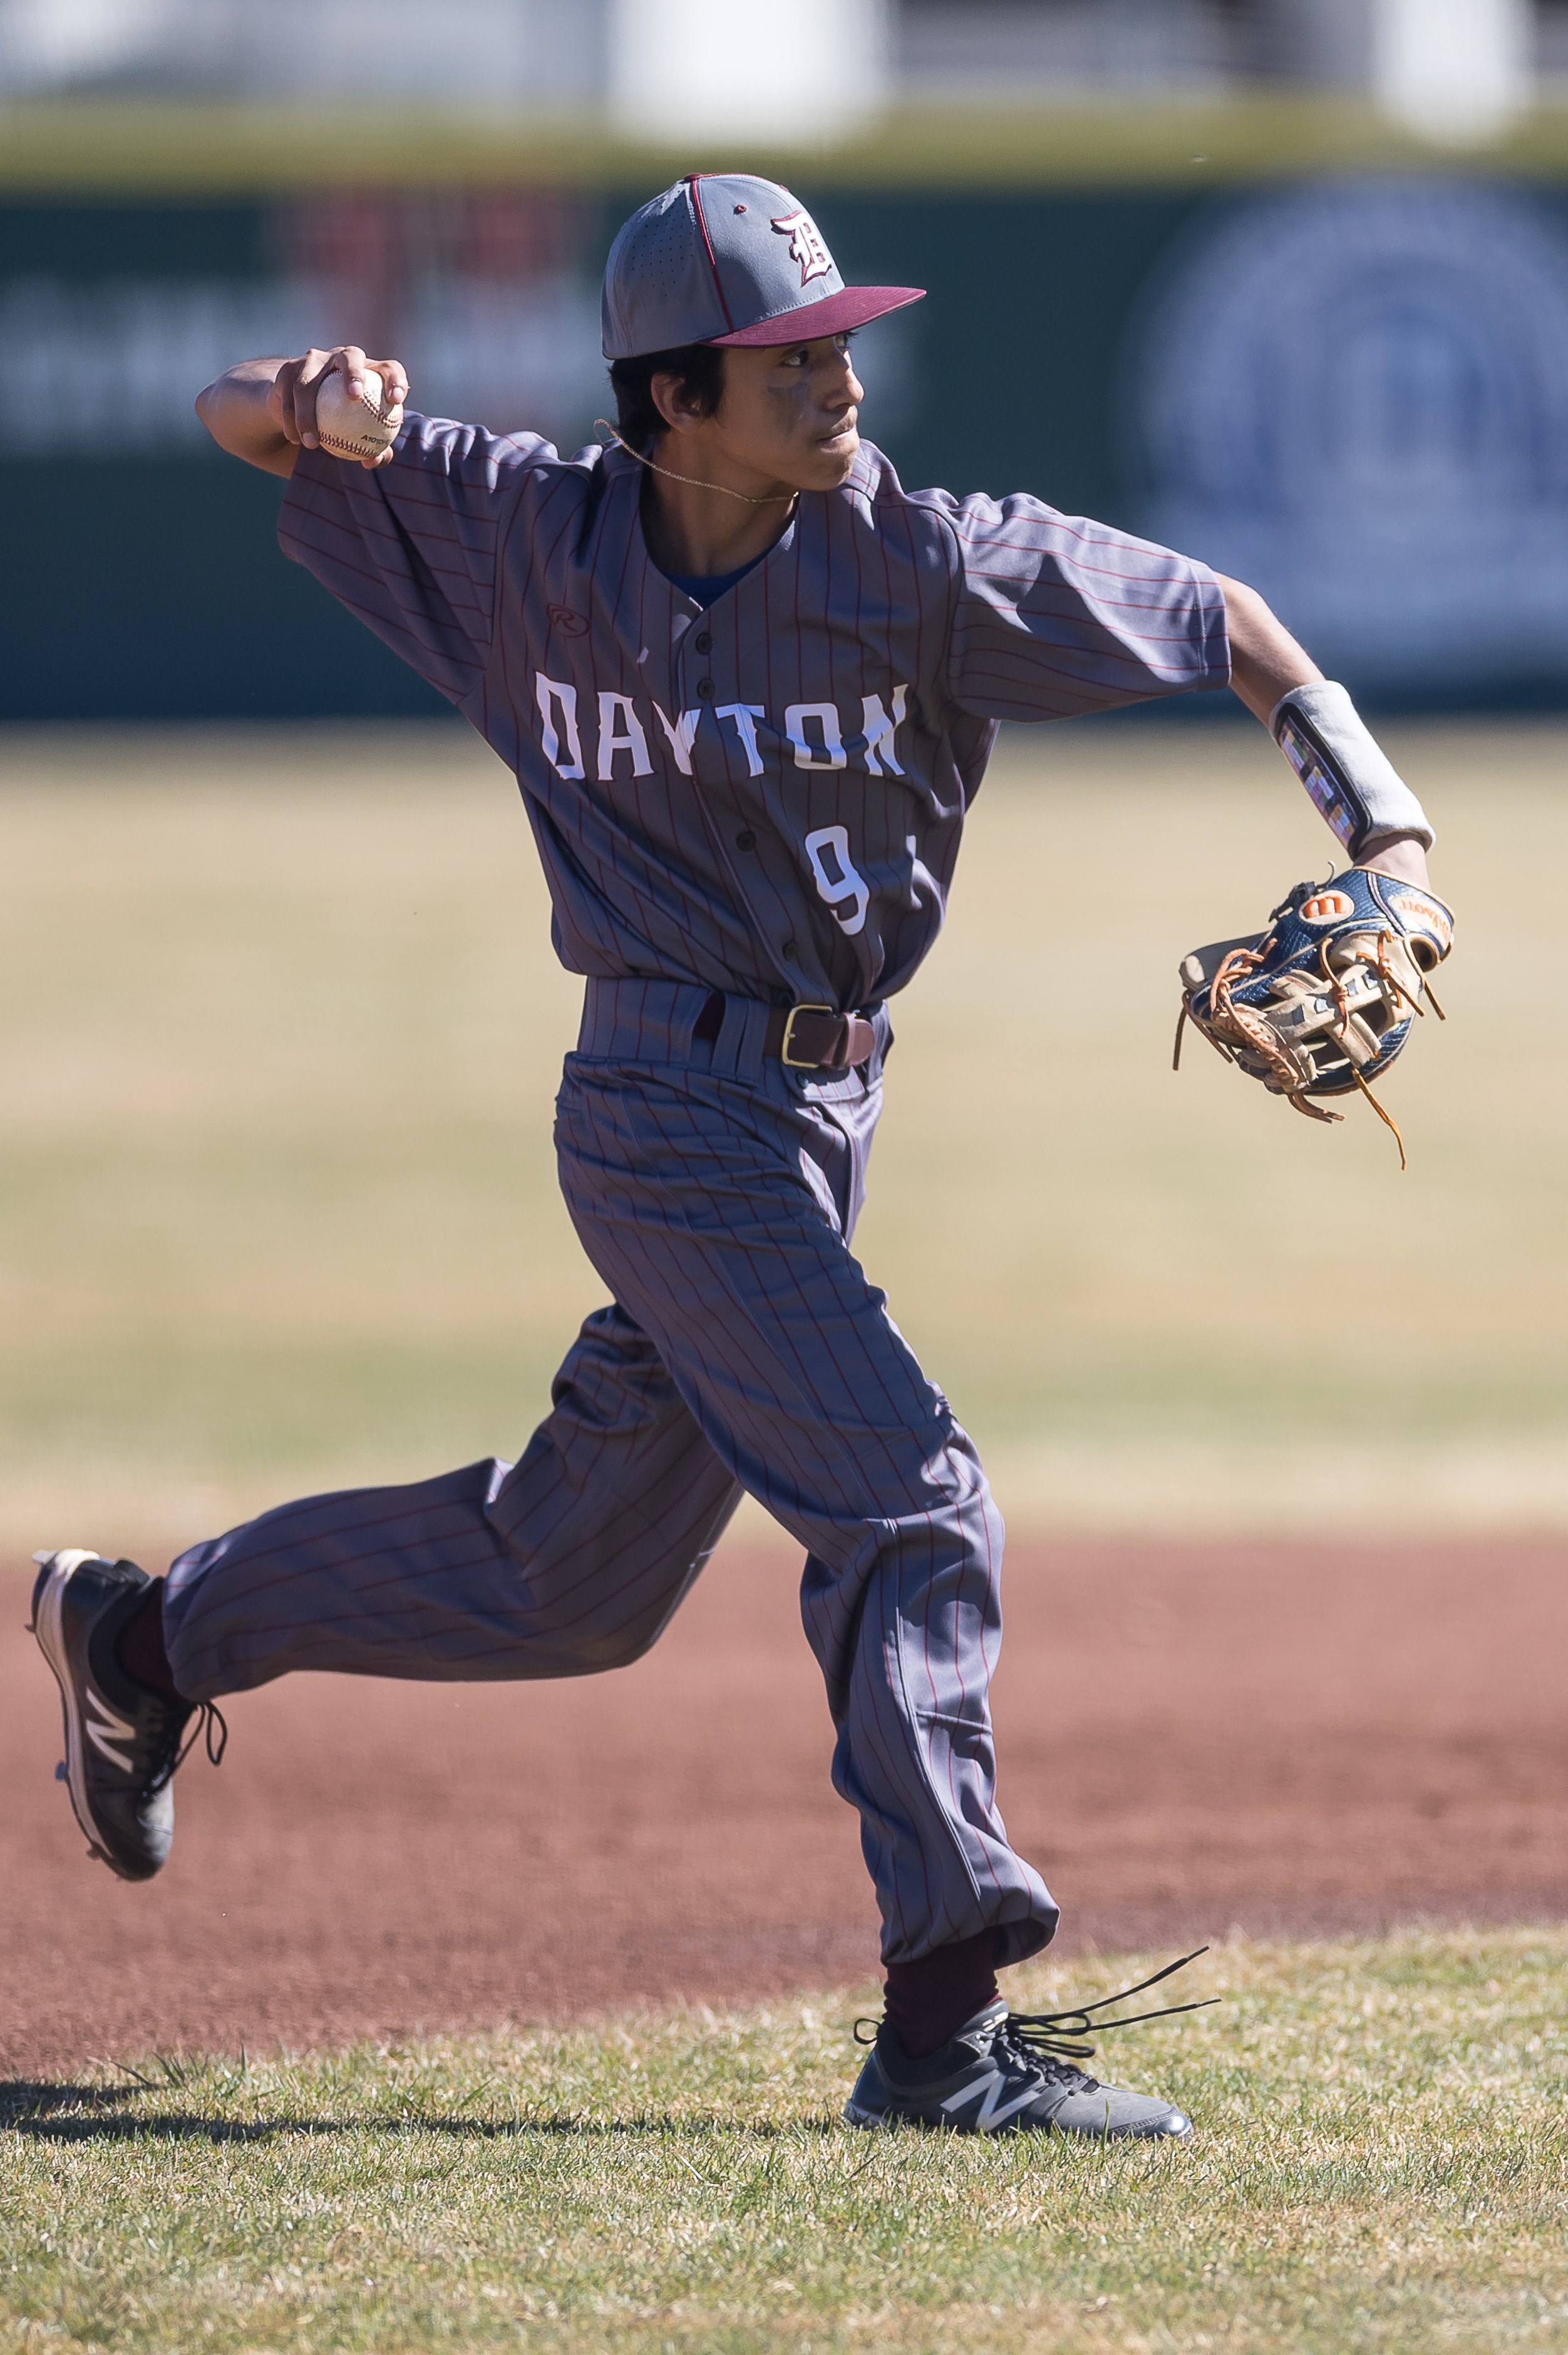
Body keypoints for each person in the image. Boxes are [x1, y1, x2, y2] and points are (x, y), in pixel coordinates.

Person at [31, 173, 1435, 2140]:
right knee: (915, 1510)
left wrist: (1391, 841)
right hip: (659, 1115)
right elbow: (239, 418)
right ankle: (944, 2035)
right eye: (791, 359)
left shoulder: (927, 564)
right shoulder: (524, 533)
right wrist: (314, 396)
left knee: (566, 1584)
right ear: (672, 399)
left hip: (811, 1121)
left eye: (842, 342)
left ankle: (143, 1637)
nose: (841, 378)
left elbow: (1231, 627)